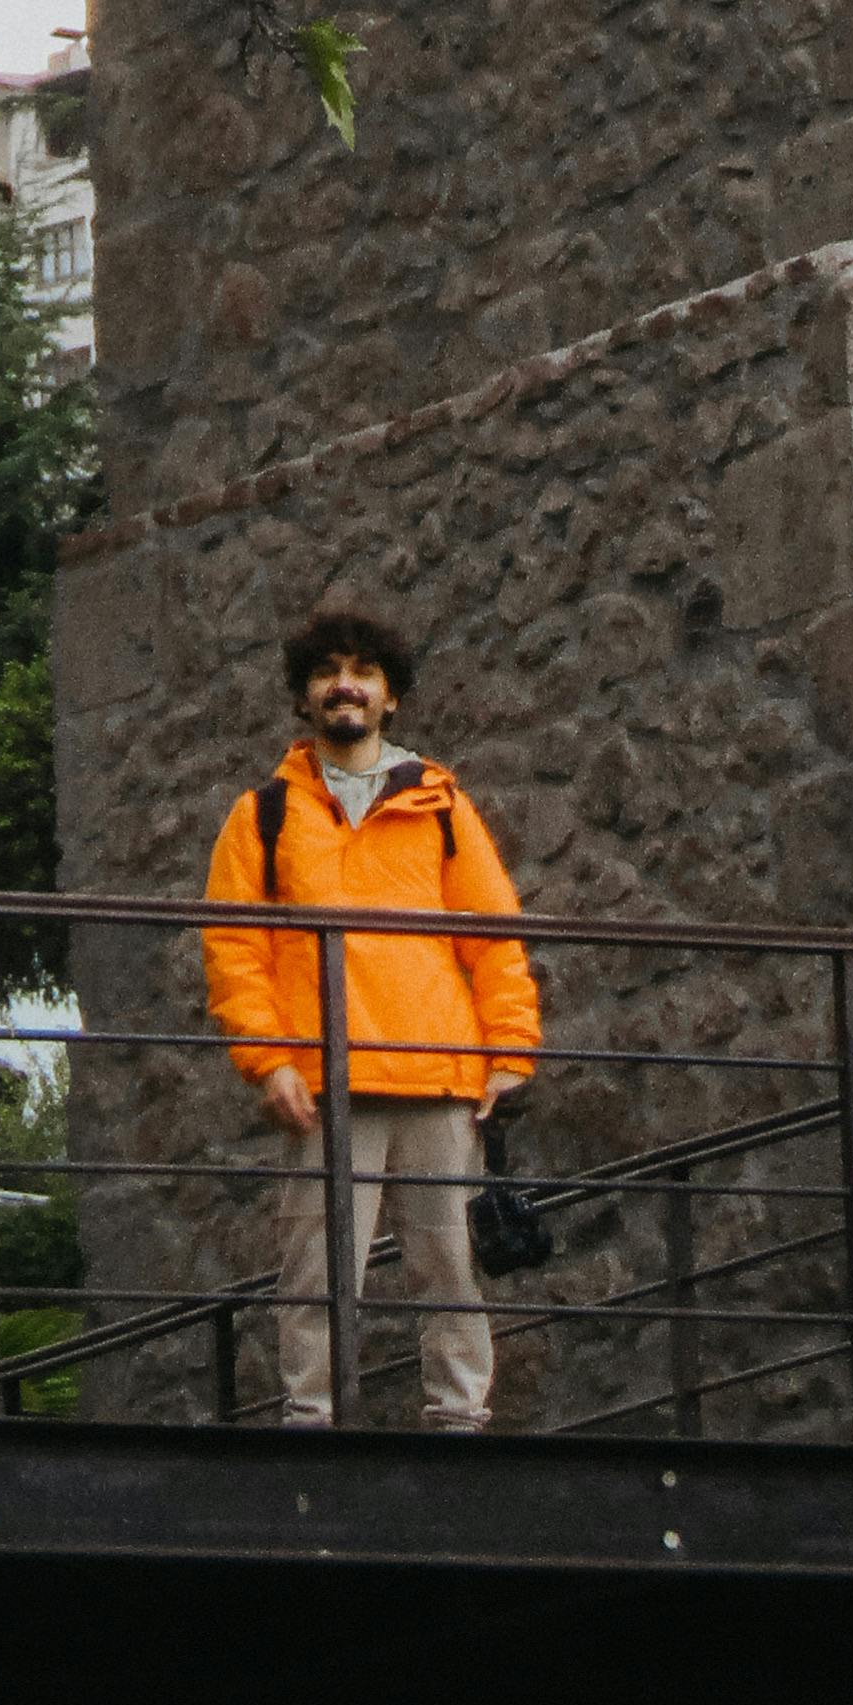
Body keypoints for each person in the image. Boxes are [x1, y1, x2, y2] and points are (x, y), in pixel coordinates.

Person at [200, 598, 542, 1431]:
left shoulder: (440, 803)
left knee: (451, 1265)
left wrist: (511, 1048)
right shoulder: (263, 814)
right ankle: (312, 1424)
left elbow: (493, 936)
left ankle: (460, 1422)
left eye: (363, 672)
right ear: (303, 697)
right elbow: (233, 949)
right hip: (325, 1079)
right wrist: (267, 1059)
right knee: (317, 1272)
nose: (343, 686)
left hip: (437, 1069)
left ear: (391, 696)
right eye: (326, 672)